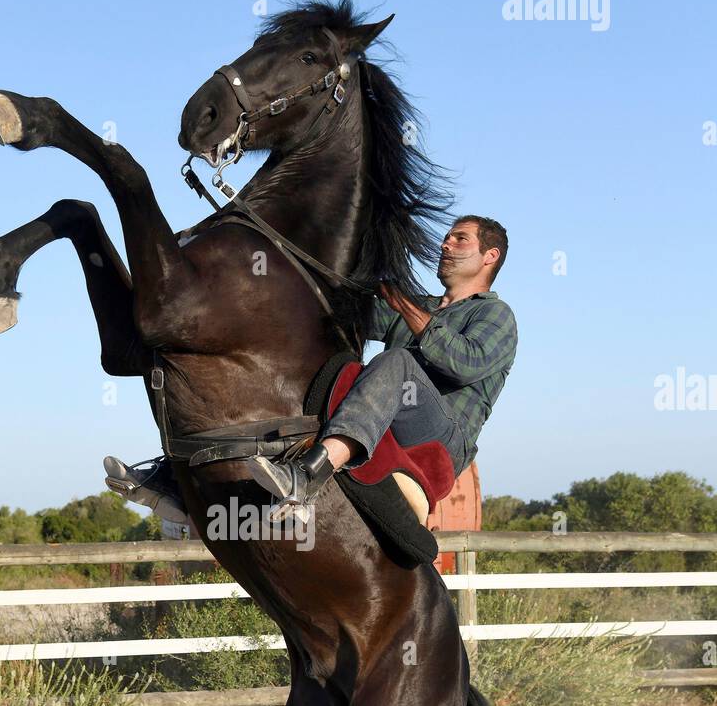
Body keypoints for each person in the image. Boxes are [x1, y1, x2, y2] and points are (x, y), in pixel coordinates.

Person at [103, 215, 516, 528]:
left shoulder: (495, 315)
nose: (446, 243)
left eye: (460, 238)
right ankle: (183, 484)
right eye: (447, 235)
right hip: (390, 420)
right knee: (328, 369)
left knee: (397, 363)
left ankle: (309, 475)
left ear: (489, 256)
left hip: (442, 439)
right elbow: (339, 315)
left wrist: (403, 301)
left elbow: (463, 364)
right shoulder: (421, 306)